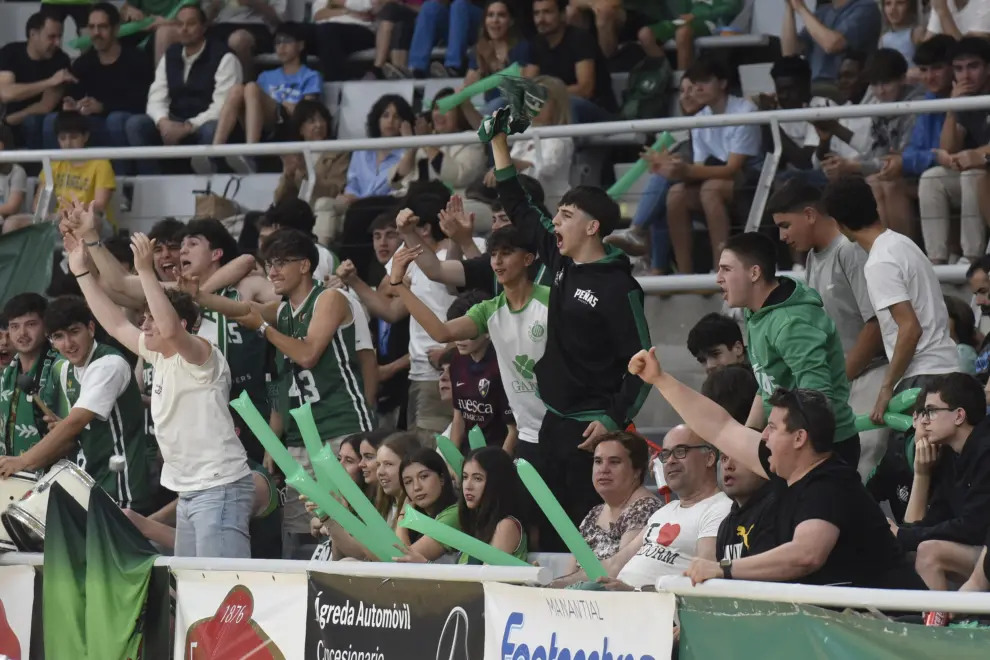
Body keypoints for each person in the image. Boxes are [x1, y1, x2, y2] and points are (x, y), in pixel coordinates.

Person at [483, 109, 653, 540]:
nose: (555, 222)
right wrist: (499, 142)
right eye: (556, 214)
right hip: (549, 420)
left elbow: (644, 365)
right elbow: (519, 206)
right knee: (543, 525)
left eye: (566, 215)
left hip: (590, 428)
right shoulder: (560, 260)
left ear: (592, 227)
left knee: (585, 531)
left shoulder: (620, 288)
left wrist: (613, 418)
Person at [628, 347, 920, 589]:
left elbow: (806, 555)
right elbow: (719, 427)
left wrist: (723, 569)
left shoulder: (830, 484)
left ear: (799, 438)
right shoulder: (786, 474)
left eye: (771, 428)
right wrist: (659, 379)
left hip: (896, 626)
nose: (763, 436)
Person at [66, 224, 253, 558]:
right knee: (196, 593)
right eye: (145, 318)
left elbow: (167, 325)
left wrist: (144, 271)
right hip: (191, 490)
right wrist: (80, 270)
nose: (145, 324)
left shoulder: (202, 353)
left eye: (151, 317)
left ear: (183, 325)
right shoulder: (156, 354)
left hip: (220, 487)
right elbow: (114, 323)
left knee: (221, 592)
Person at [387, 224, 548, 464]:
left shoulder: (552, 300)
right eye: (493, 254)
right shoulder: (489, 310)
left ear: (527, 259)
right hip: (528, 433)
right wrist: (398, 285)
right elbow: (441, 332)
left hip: (561, 424)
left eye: (506, 253)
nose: (498, 261)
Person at [768, 179, 888, 479]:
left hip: (871, 373)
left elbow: (875, 323)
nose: (782, 236)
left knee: (863, 463)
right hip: (839, 379)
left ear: (810, 214)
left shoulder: (849, 250)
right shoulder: (812, 257)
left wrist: (840, 376)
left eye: (785, 225)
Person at [717, 232, 862, 468]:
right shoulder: (755, 312)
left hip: (820, 447)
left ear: (754, 273)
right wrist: (748, 438)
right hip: (786, 442)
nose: (718, 278)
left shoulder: (790, 322)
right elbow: (767, 384)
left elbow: (817, 400)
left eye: (726, 269)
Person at [0, 296, 155, 515]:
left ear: (90, 328)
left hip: (122, 484)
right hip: (91, 483)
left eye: (74, 332)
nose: (68, 344)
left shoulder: (108, 364)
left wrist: (23, 460)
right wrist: (63, 425)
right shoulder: (67, 371)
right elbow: (76, 426)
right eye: (59, 337)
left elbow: (76, 422)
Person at [821, 176, 958, 413]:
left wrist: (886, 387)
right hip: (946, 370)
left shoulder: (879, 262)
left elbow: (910, 328)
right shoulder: (905, 244)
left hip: (922, 378)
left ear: (839, 224)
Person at [601, 425, 731, 590]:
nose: (670, 461)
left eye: (680, 451)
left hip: (654, 610)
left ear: (710, 458)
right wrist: (564, 582)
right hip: (620, 602)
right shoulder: (664, 512)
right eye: (665, 454)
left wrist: (635, 592)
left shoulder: (720, 509)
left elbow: (702, 583)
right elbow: (615, 565)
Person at [665, 58, 763, 275]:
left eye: (705, 81)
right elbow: (700, 166)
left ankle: (722, 269)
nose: (698, 88)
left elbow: (734, 167)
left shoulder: (745, 111)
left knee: (710, 190)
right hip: (716, 178)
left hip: (751, 179)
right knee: (675, 193)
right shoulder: (700, 118)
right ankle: (684, 274)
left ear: (723, 83)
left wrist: (687, 171)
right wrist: (678, 170)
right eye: (695, 82)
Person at [895, 373, 990, 590]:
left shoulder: (986, 452)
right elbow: (937, 516)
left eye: (932, 411)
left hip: (985, 554)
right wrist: (901, 534)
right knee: (915, 548)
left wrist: (905, 535)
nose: (924, 420)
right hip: (977, 553)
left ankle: (936, 623)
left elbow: (972, 527)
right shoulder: (949, 455)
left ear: (959, 416)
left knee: (930, 551)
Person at [126, 4, 243, 175]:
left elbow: (222, 107)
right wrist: (163, 122)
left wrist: (188, 127)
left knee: (212, 129)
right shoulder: (171, 54)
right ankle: (152, 181)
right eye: (180, 24)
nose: (184, 29)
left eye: (191, 24)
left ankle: (213, 180)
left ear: (204, 27)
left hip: (203, 123)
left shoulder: (224, 56)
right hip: (175, 120)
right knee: (135, 124)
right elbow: (157, 95)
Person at [46, 3, 154, 174]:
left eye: (102, 27)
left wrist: (103, 107)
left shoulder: (136, 59)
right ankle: (57, 180)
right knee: (53, 121)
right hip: (94, 123)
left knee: (116, 119)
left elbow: (143, 102)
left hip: (128, 122)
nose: (96, 33)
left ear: (116, 29)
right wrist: (71, 106)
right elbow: (73, 97)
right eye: (92, 27)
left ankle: (123, 183)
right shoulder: (83, 63)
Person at [213, 22, 323, 174]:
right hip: (263, 123)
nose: (281, 47)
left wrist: (284, 105)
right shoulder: (266, 76)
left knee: (251, 87)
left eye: (286, 41)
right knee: (237, 90)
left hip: (288, 124)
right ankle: (214, 151)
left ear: (301, 45)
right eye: (277, 42)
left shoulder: (310, 75)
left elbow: (308, 109)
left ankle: (251, 152)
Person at [554, 431, 661, 586]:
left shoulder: (646, 508)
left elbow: (619, 573)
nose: (603, 469)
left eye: (614, 462)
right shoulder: (594, 513)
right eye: (598, 461)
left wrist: (555, 584)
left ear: (637, 470)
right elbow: (570, 572)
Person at [702, 365, 778, 562]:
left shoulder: (776, 510)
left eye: (739, 457)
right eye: (724, 458)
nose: (728, 466)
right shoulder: (726, 524)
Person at [442, 291, 516, 454]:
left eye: (465, 332)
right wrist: (454, 461)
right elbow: (458, 416)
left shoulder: (503, 365)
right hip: (469, 456)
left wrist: (500, 465)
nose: (459, 338)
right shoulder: (457, 360)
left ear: (487, 329)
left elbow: (513, 429)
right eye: (455, 332)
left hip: (498, 454)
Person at [523, 0, 617, 124]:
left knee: (571, 105)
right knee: (500, 105)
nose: (541, 19)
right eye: (536, 13)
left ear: (562, 15)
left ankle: (562, 144)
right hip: (553, 105)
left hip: (596, 109)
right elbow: (527, 85)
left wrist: (549, 96)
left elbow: (585, 89)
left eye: (547, 12)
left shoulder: (580, 39)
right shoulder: (536, 43)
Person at [936, 37, 990, 237]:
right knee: (932, 179)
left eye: (973, 67)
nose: (965, 76)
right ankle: (936, 261)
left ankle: (972, 257)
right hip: (980, 169)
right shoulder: (963, 99)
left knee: (971, 176)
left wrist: (973, 155)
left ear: (988, 67)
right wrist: (952, 108)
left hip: (982, 171)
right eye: (959, 69)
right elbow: (948, 148)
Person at [0, 10, 73, 151]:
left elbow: (45, 106)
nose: (57, 43)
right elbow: (7, 93)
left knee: (33, 122)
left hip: (38, 121)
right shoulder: (10, 52)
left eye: (59, 37)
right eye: (51, 37)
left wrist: (8, 120)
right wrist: (49, 82)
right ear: (33, 34)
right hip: (7, 122)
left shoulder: (61, 60)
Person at [0, 294, 60, 461]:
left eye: (31, 324)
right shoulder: (6, 373)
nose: (22, 333)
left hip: (52, 476)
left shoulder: (61, 367)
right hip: (11, 475)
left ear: (46, 326)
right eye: (14, 327)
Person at [780, 0, 882, 91]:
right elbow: (789, 54)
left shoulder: (867, 8)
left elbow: (833, 44)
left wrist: (801, 7)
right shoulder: (822, 12)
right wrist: (790, 7)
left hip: (845, 91)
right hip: (814, 89)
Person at [457, 446, 530, 564]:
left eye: (477, 479)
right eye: (465, 477)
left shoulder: (507, 526)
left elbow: (485, 578)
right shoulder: (477, 524)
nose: (467, 486)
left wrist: (427, 564)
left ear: (497, 483)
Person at [394, 448, 460, 562]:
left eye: (424, 476)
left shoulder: (454, 514)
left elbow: (402, 558)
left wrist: (403, 516)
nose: (416, 487)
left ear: (442, 478)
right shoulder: (421, 518)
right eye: (408, 482)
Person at [203, 0, 284, 78]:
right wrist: (214, 6)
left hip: (256, 26)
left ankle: (244, 86)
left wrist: (252, 2)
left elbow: (279, 19)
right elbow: (202, 22)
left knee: (239, 40)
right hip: (221, 26)